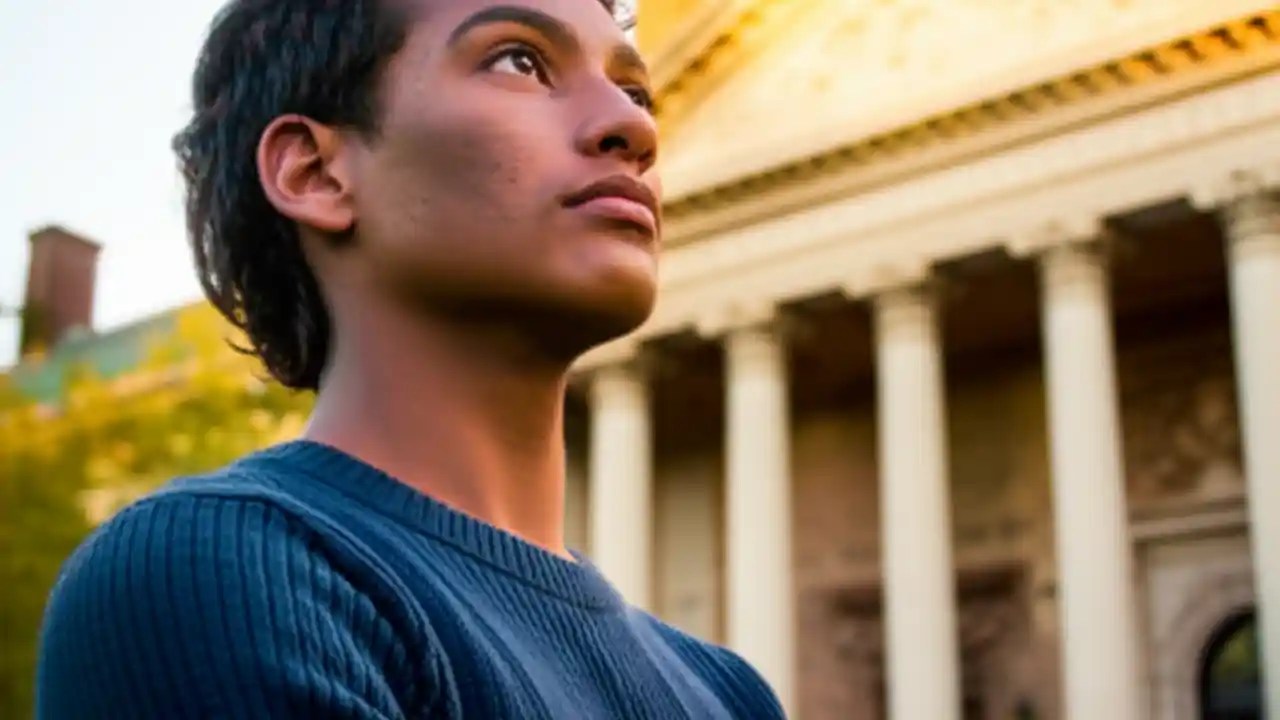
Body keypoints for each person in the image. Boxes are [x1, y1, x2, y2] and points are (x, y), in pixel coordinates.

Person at [35, 0, 786, 718]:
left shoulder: (730, 694)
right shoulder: (215, 574)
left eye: (634, 90)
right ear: (315, 174)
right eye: (519, 60)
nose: (634, 126)